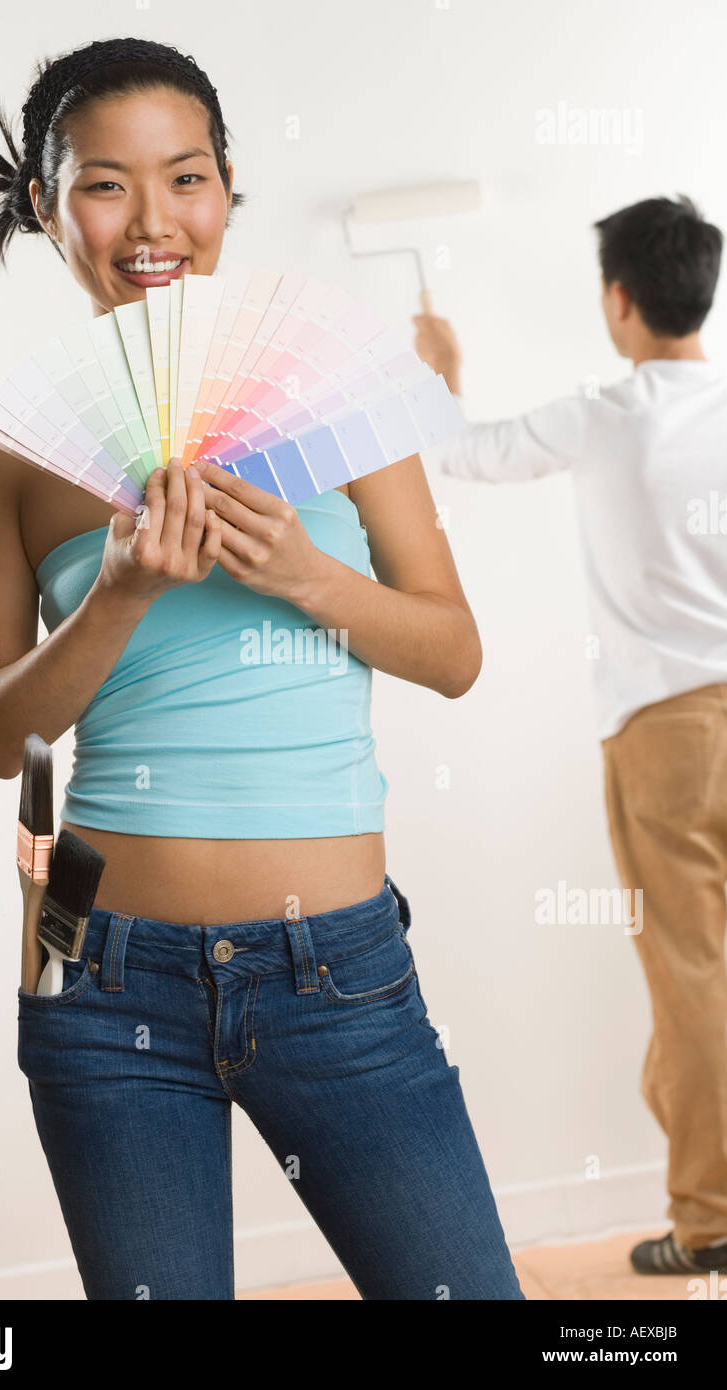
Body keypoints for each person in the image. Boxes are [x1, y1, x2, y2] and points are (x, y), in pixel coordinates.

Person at [0, 36, 524, 1301]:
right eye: (103, 184)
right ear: (49, 205)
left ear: (226, 188)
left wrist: (307, 579)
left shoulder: (341, 384)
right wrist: (118, 594)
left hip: (336, 963)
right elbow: (0, 736)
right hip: (89, 963)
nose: (151, 222)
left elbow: (455, 652)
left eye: (186, 176)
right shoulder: (9, 451)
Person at [413, 194, 727, 1276]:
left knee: (692, 977)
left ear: (617, 299)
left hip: (666, 733)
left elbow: (456, 452)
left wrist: (435, 364)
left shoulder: (609, 414)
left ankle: (709, 1221)